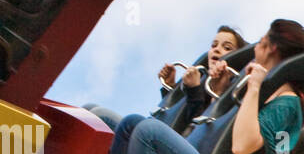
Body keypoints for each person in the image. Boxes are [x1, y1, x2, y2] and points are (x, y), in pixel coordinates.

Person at [99, 19, 304, 154]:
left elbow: (242, 146)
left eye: (261, 41)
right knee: (131, 123)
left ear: (271, 47)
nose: (256, 47)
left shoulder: (287, 103)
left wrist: (254, 87)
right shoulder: (260, 85)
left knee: (149, 131)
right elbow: (220, 128)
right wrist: (219, 90)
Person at [86, 25, 246, 131]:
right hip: (159, 129)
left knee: (101, 115)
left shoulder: (229, 87)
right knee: (89, 109)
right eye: (214, 45)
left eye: (226, 48)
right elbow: (175, 115)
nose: (216, 50)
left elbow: (195, 126)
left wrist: (194, 90)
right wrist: (169, 87)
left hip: (169, 139)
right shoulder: (203, 77)